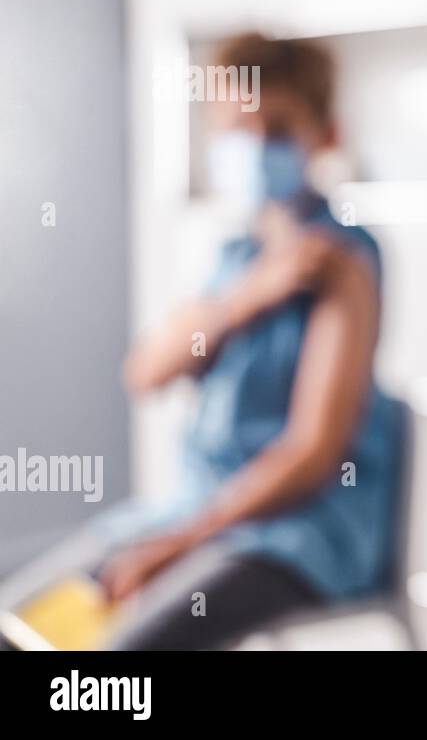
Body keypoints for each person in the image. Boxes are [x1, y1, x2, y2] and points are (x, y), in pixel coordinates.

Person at [0, 34, 402, 649]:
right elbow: (147, 372)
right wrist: (247, 298)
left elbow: (313, 451)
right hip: (190, 514)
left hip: (292, 535)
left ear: (325, 133)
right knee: (18, 626)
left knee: (118, 662)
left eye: (275, 128)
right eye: (239, 129)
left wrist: (180, 545)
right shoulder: (233, 261)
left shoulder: (342, 264)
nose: (255, 147)